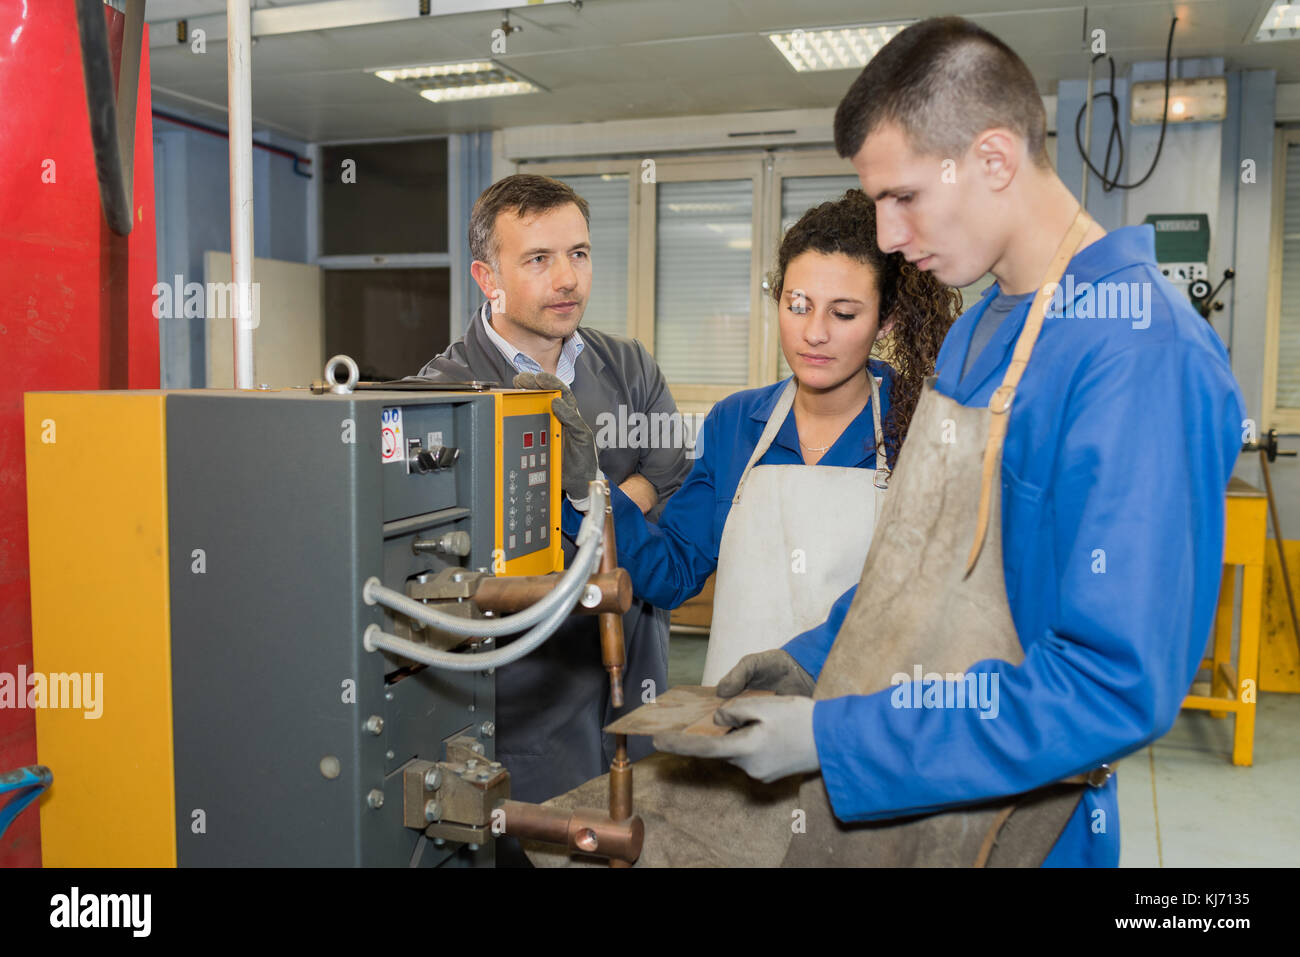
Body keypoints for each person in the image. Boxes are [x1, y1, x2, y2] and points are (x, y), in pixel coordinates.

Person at [657, 16, 1246, 867]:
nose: (890, 237)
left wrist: (836, 737)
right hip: (916, 796)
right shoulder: (977, 336)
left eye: (904, 198)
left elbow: (1112, 685)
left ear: (995, 159)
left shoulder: (1140, 352)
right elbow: (913, 575)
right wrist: (803, 662)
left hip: (1030, 831)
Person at [555, 189, 956, 685]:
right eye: (799, 305)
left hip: (867, 725)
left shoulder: (922, 426)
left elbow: (935, 595)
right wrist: (585, 492)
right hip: (739, 716)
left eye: (844, 313)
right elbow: (674, 572)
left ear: (885, 320)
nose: (814, 333)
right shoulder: (736, 424)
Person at [413, 175, 691, 844]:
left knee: (638, 839)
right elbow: (460, 556)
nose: (567, 277)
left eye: (580, 253)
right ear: (488, 276)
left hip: (636, 684)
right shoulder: (444, 396)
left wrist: (584, 511)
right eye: (539, 259)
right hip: (529, 708)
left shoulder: (628, 367)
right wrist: (619, 510)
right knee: (539, 847)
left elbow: (674, 473)